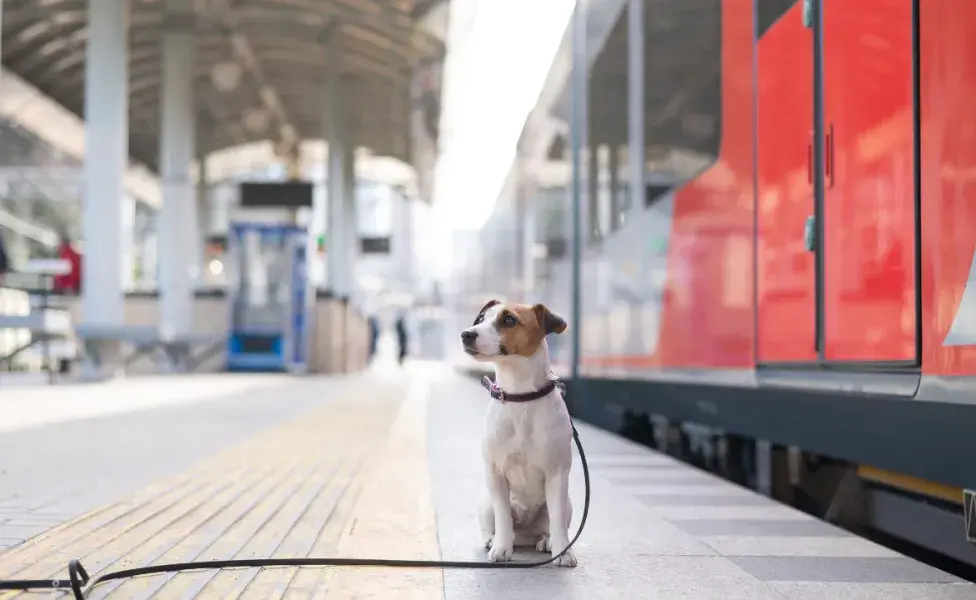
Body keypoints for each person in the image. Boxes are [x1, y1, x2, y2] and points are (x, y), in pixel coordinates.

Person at [52, 230, 81, 295]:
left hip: (70, 286)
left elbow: (71, 271)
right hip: (70, 284)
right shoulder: (69, 251)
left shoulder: (69, 253)